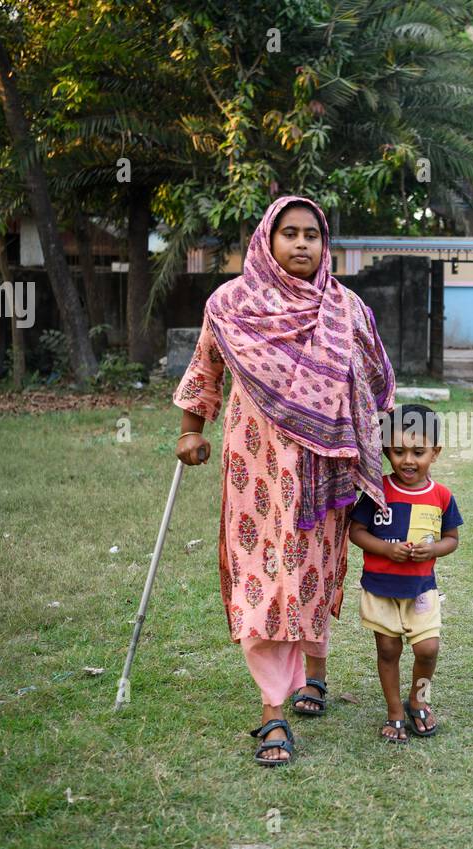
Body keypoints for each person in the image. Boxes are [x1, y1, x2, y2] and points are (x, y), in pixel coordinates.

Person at [173, 195, 396, 766]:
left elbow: (374, 380)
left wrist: (387, 447)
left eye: (313, 235)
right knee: (264, 575)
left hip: (327, 469)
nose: (301, 244)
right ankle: (273, 712)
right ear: (266, 240)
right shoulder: (231, 304)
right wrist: (190, 431)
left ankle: (314, 674)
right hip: (258, 467)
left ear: (325, 245)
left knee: (314, 572)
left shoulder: (345, 307)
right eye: (290, 233)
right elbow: (205, 367)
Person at [348, 404, 462, 742]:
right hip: (381, 588)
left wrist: (434, 549)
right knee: (387, 650)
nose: (408, 460)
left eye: (418, 451)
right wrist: (385, 549)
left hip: (421, 590)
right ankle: (395, 710)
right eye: (398, 452)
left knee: (427, 650)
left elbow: (452, 540)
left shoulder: (441, 496)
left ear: (435, 452)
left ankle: (418, 700)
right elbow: (356, 531)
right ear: (386, 451)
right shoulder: (377, 491)